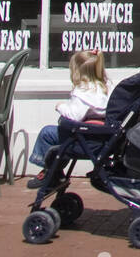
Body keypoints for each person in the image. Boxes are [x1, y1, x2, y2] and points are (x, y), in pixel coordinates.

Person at [28, 49, 112, 177]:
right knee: (64, 136)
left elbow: (74, 116)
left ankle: (50, 172)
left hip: (84, 139)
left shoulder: (83, 92)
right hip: (99, 138)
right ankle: (54, 171)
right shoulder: (105, 87)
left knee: (47, 133)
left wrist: (61, 107)